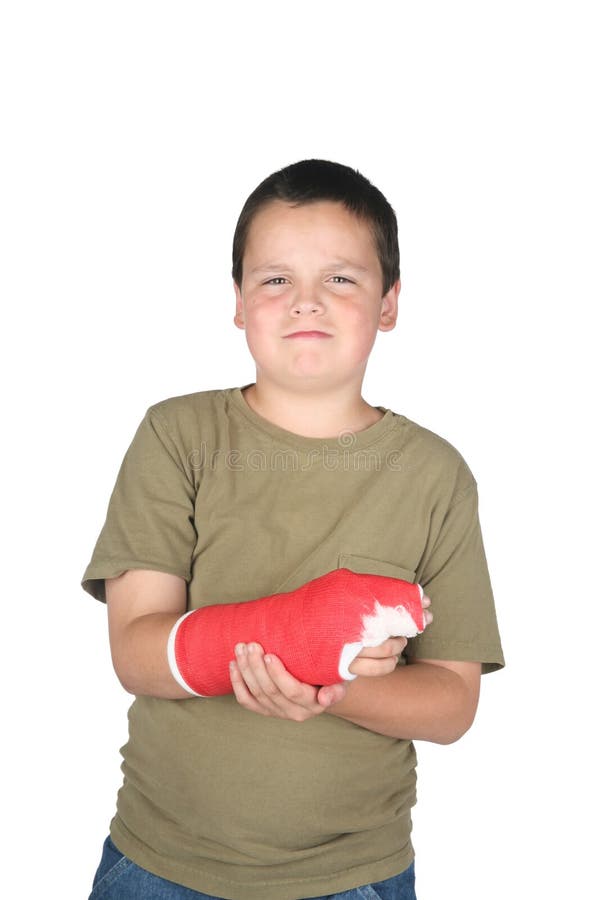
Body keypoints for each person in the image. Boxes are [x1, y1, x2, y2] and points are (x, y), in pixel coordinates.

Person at [82, 159, 504, 900]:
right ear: (239, 303)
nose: (306, 302)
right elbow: (136, 654)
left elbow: (451, 704)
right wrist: (292, 635)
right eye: (275, 279)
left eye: (341, 278)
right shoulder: (177, 436)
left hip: (353, 875)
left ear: (389, 303)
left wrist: (328, 687)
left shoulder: (435, 476)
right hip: (162, 862)